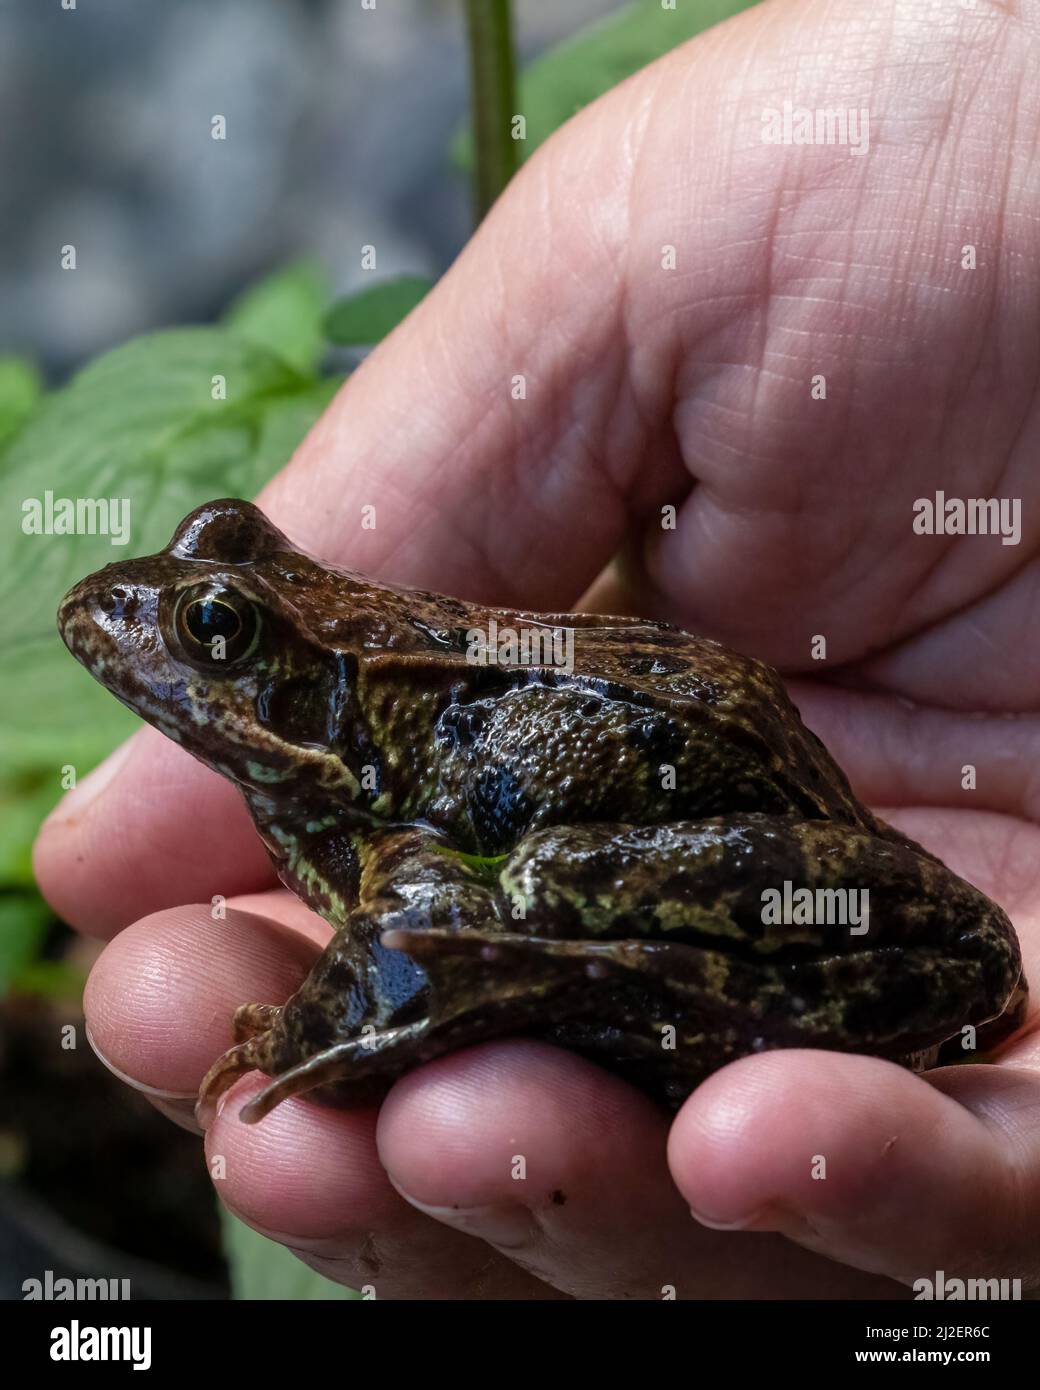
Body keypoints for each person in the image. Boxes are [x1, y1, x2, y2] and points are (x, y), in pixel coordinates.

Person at [33, 0, 1040, 1299]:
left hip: (705, 815)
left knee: (542, 878)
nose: (141, 629)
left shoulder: (386, 829)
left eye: (216, 632)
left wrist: (312, 1022)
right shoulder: (342, 802)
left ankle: (627, 976)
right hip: (748, 777)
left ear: (295, 678)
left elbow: (438, 912)